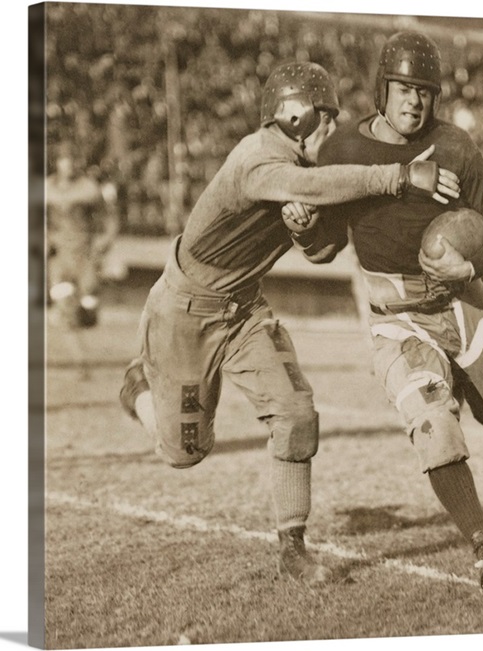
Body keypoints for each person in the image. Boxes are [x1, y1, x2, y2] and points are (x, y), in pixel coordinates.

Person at [117, 61, 460, 586]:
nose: (333, 127)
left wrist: (304, 233)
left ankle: (292, 548)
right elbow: (306, 184)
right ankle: (137, 389)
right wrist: (396, 175)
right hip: (184, 311)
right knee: (185, 452)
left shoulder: (304, 168)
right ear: (295, 116)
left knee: (297, 414)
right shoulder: (256, 157)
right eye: (325, 116)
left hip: (243, 309)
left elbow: (323, 251)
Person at [283, 32, 483, 594]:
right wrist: (304, 228)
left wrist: (471, 266)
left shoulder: (454, 145)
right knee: (434, 426)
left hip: (461, 302)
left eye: (424, 91)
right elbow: (324, 247)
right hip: (397, 318)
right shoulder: (344, 150)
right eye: (403, 88)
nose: (414, 101)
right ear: (382, 89)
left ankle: (457, 379)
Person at [46, 143, 119, 328]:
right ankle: (63, 311)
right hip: (59, 251)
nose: (68, 164)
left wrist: (105, 240)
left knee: (88, 308)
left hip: (84, 250)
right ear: (57, 162)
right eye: (64, 159)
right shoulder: (47, 188)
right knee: (63, 303)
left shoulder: (89, 188)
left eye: (72, 159)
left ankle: (84, 310)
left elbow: (108, 217)